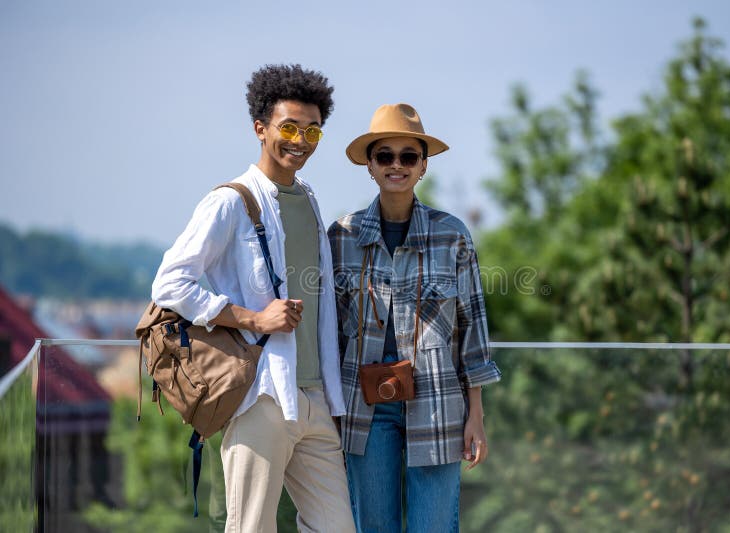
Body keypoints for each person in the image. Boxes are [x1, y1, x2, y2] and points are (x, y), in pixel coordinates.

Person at [151, 64, 355, 533]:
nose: (299, 141)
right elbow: (170, 283)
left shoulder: (308, 198)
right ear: (260, 128)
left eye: (312, 132)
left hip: (314, 398)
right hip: (260, 396)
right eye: (288, 128)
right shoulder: (230, 201)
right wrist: (254, 319)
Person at [328, 103, 502, 532]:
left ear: (423, 165)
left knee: (435, 526)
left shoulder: (452, 235)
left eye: (409, 156)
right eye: (384, 155)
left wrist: (476, 416)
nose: (396, 165)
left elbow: (471, 329)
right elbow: (328, 336)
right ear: (369, 165)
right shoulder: (341, 238)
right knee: (373, 527)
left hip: (439, 404)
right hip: (364, 411)